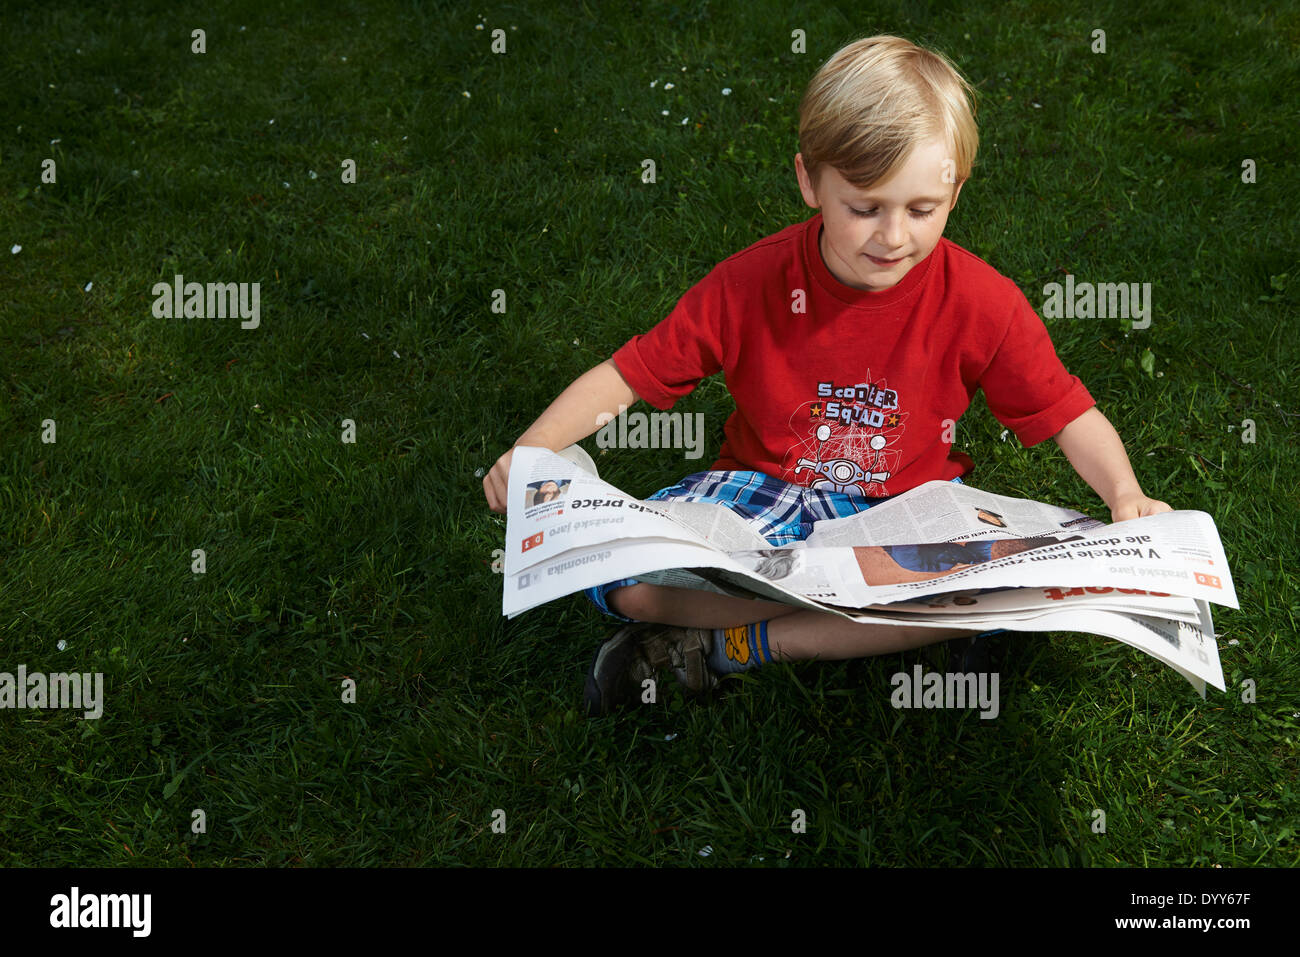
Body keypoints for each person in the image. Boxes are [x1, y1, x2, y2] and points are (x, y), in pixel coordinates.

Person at [482, 35, 1171, 716]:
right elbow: (629, 375)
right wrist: (534, 449)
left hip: (902, 508)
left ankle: (733, 648)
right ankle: (831, 624)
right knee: (630, 584)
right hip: (761, 492)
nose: (893, 236)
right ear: (809, 180)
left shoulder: (983, 300)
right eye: (865, 208)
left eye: (921, 209)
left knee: (981, 591)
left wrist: (1126, 494)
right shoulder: (752, 282)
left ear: (956, 188)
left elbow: (1067, 411)